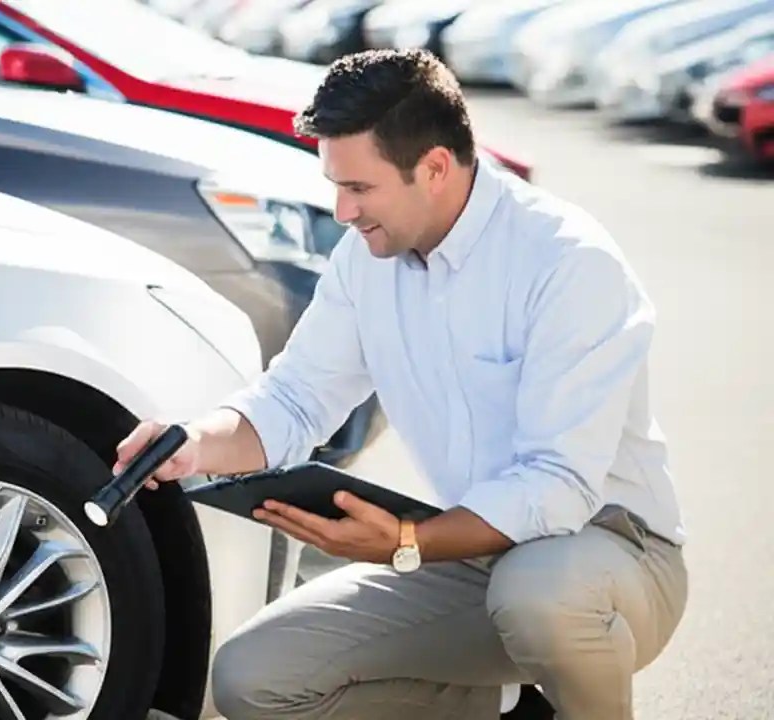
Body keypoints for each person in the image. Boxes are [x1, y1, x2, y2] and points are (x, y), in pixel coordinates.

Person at [113, 49, 688, 720]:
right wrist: (192, 445)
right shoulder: (365, 260)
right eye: (335, 184)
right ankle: (510, 712)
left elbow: (559, 486)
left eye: (359, 187)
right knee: (253, 678)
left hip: (613, 556)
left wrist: (407, 544)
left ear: (435, 167)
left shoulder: (567, 262)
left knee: (539, 598)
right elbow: (296, 398)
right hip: (471, 555)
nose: (342, 209)